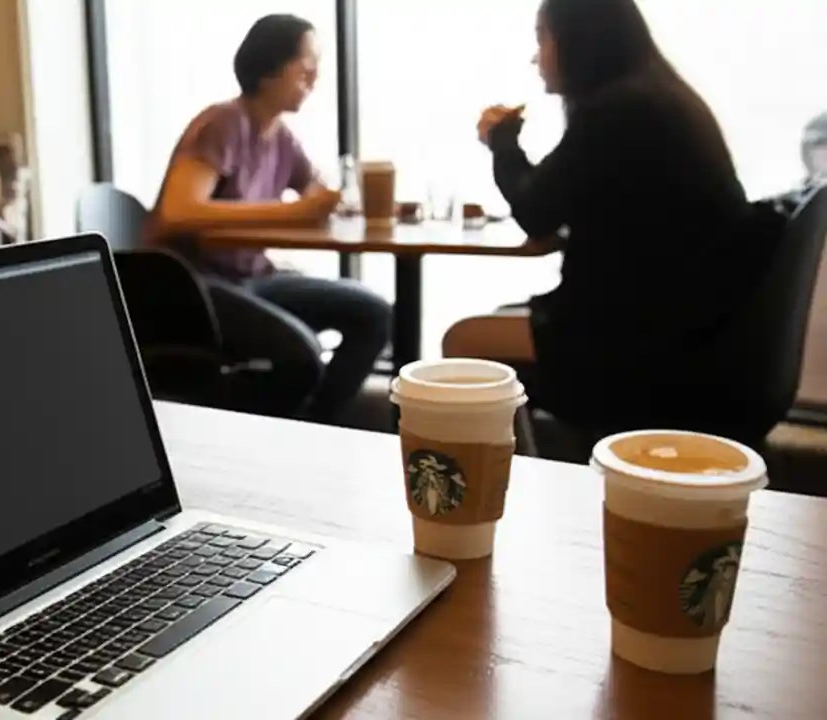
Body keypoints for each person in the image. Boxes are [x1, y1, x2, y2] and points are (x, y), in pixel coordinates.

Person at [444, 0, 766, 439]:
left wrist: (502, 144)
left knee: (463, 343)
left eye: (543, 36)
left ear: (579, 39)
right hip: (694, 331)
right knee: (498, 322)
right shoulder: (660, 98)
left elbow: (536, 212)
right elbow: (580, 202)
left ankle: (485, 494)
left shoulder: (618, 111)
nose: (536, 54)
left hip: (641, 347)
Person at [146, 14, 391, 423]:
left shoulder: (280, 136)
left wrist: (346, 204)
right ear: (269, 69)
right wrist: (294, 211)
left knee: (376, 315)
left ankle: (314, 425)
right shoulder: (223, 122)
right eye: (306, 66)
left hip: (254, 276)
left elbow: (316, 195)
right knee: (302, 355)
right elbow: (178, 209)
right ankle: (259, 427)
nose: (314, 77)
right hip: (195, 283)